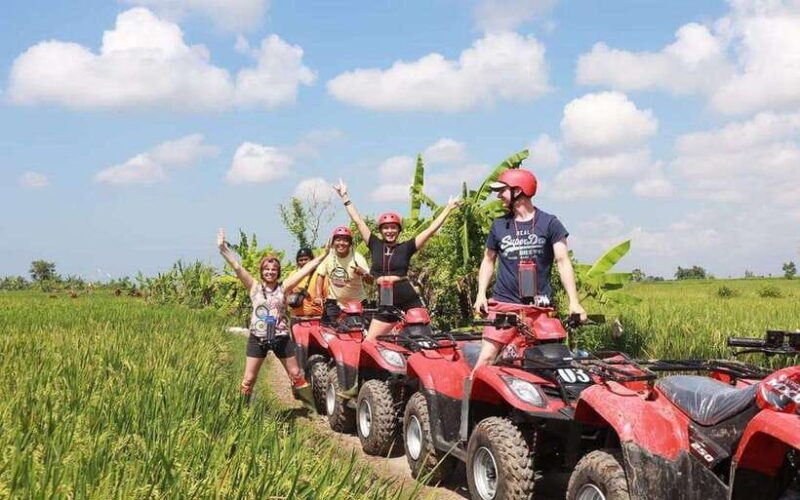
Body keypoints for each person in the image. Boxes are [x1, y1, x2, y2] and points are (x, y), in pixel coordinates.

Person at [471, 168, 587, 372]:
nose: (498, 196)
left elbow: (562, 261)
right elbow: (488, 261)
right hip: (504, 306)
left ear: (519, 191)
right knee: (487, 359)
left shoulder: (550, 223)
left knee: (550, 365)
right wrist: (481, 294)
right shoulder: (499, 225)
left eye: (502, 191)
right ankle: (470, 403)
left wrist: (574, 302)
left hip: (539, 310)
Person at [332, 179, 461, 342]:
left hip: (408, 297)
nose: (390, 230)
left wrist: (448, 208)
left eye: (393, 227)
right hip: (387, 298)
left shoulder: (406, 247)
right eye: (386, 227)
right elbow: (358, 221)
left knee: (423, 341)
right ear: (381, 230)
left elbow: (430, 230)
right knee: (370, 343)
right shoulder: (374, 244)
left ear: (399, 230)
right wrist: (345, 197)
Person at [217, 228, 328, 407]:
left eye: (274, 269)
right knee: (248, 380)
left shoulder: (284, 287)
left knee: (296, 376)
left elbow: (305, 270)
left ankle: (313, 408)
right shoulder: (253, 286)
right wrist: (223, 248)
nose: (270, 272)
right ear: (262, 271)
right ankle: (240, 411)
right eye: (267, 269)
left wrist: (323, 255)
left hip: (280, 338)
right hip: (258, 339)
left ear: (278, 272)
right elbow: (237, 267)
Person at [313, 226, 372, 325]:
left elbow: (370, 281)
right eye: (338, 240)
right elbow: (320, 275)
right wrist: (318, 295)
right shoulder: (329, 256)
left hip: (357, 303)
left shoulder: (357, 258)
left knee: (359, 332)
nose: (341, 243)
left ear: (350, 244)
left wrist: (364, 274)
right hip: (335, 303)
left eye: (345, 241)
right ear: (333, 243)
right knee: (327, 331)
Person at [287, 247, 325, 318]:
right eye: (301, 260)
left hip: (317, 317)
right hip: (297, 317)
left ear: (312, 260)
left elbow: (327, 294)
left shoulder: (319, 274)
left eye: (306, 259)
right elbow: (287, 293)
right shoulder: (293, 275)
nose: (303, 262)